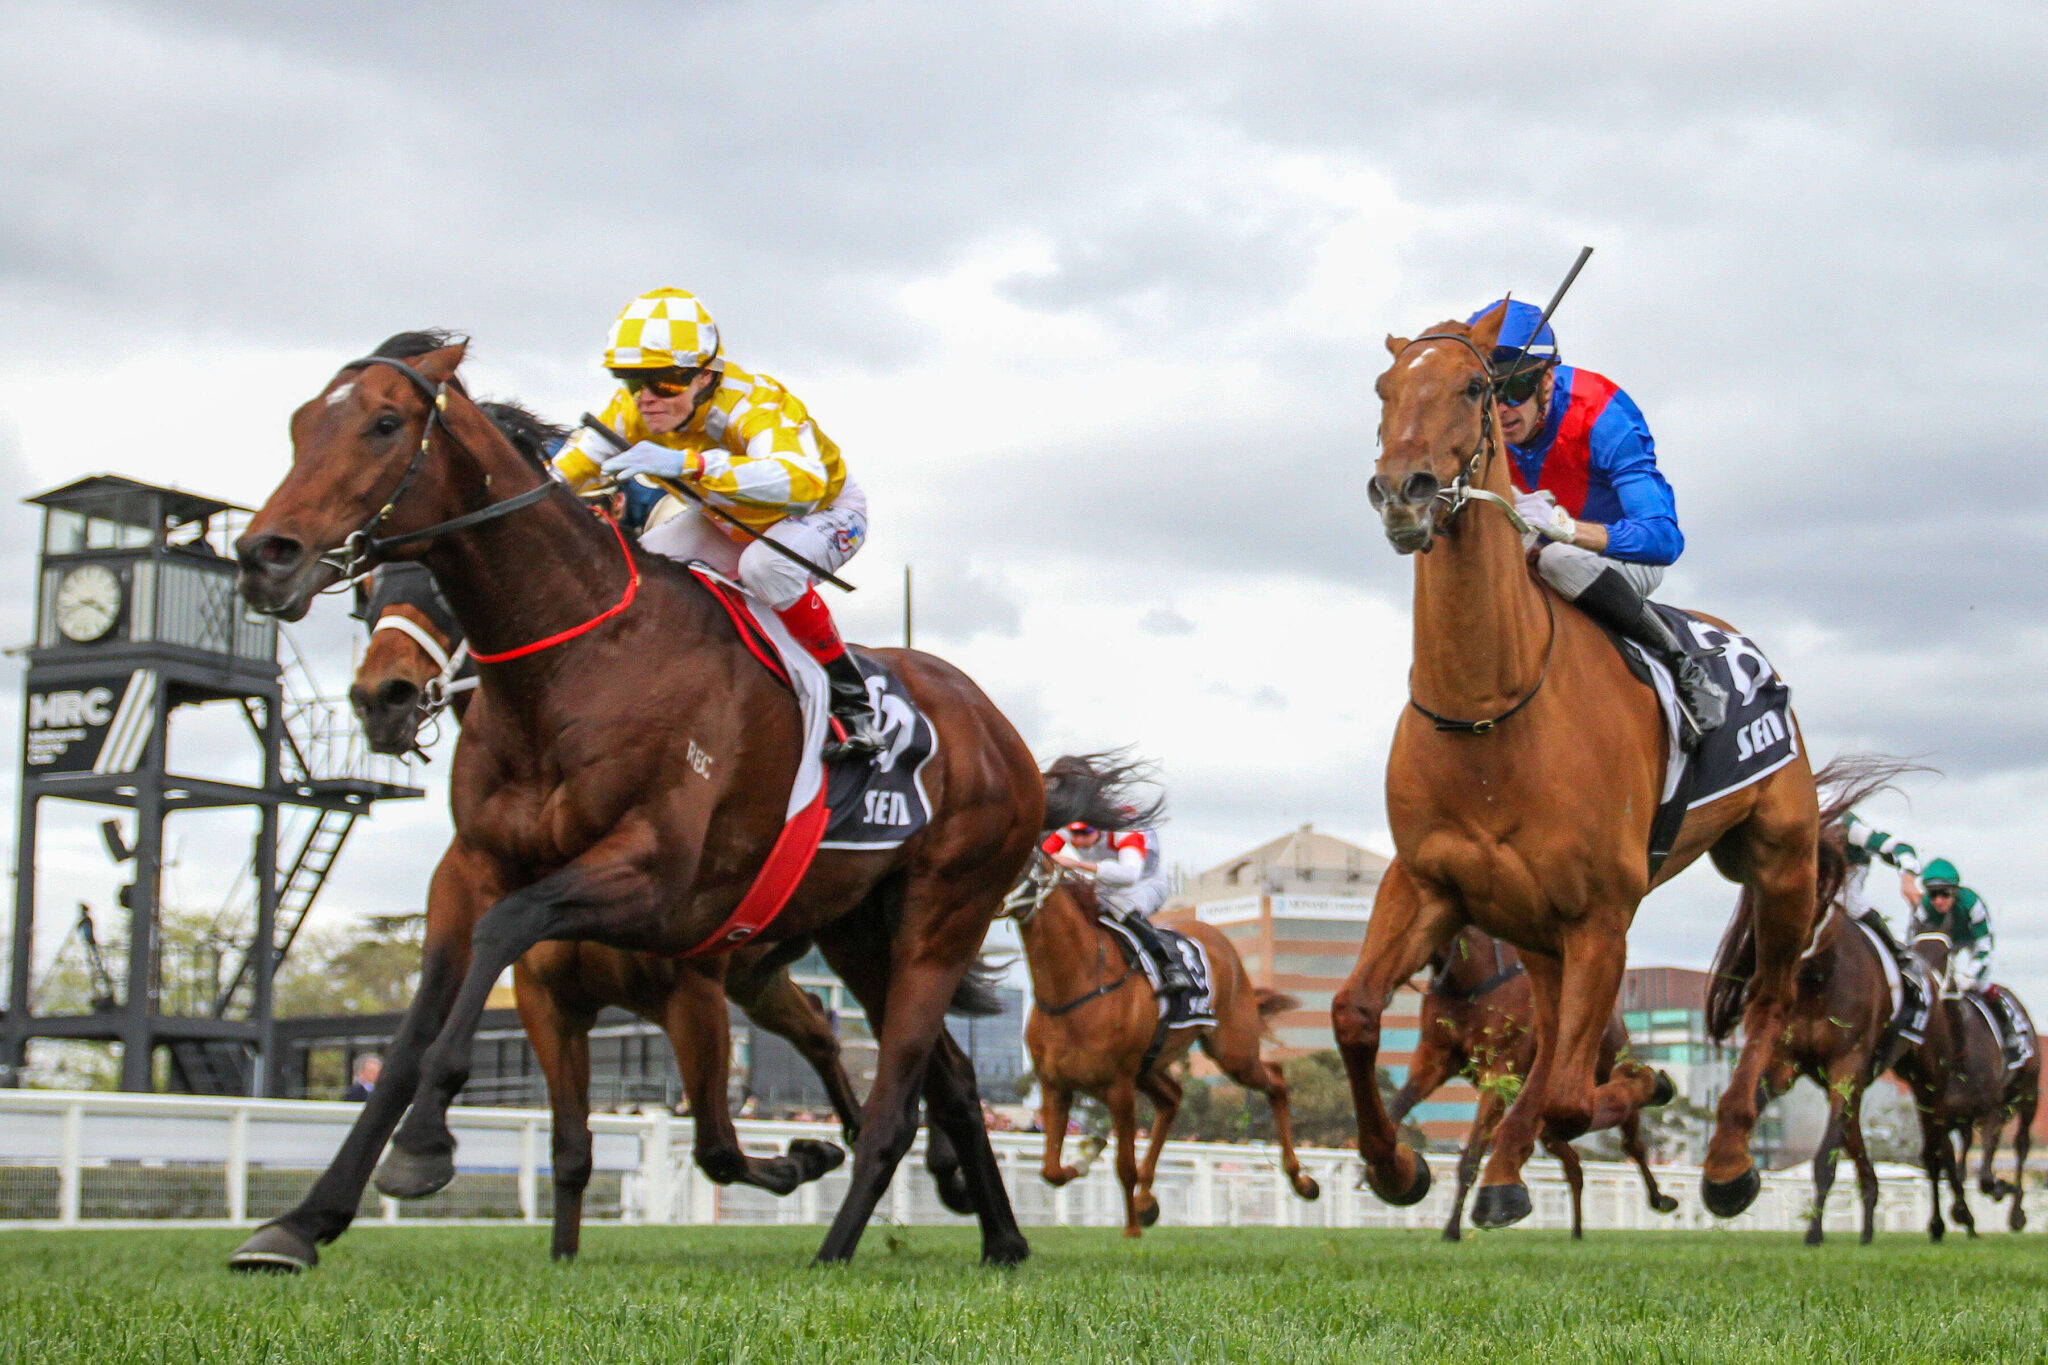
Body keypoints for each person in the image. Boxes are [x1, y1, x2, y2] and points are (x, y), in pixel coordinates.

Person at [550, 288, 883, 758]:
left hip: (820, 512)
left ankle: (853, 703)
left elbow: (802, 481)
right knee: (648, 565)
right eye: (631, 381)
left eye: (663, 382)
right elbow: (560, 474)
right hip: (728, 521)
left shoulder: (752, 403)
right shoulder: (632, 412)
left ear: (705, 376)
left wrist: (694, 465)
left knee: (766, 569)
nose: (646, 399)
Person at [1472, 299, 1727, 749]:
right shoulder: (1474, 424)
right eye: (1487, 391)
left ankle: (1683, 667)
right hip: (1526, 555)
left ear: (1547, 378)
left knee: (1557, 558)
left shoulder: (1604, 414)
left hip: (1619, 557)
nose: (1502, 409)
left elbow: (1664, 540)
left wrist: (1568, 529)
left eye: (1516, 387)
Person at [1042, 820, 1195, 1005]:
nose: (1079, 840)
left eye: (1085, 834)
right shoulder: (1071, 827)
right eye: (1075, 835)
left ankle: (1170, 967)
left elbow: (1129, 874)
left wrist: (1076, 864)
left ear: (1098, 827)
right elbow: (1043, 853)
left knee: (1120, 906)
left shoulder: (1126, 830)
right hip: (1108, 882)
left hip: (1146, 882)